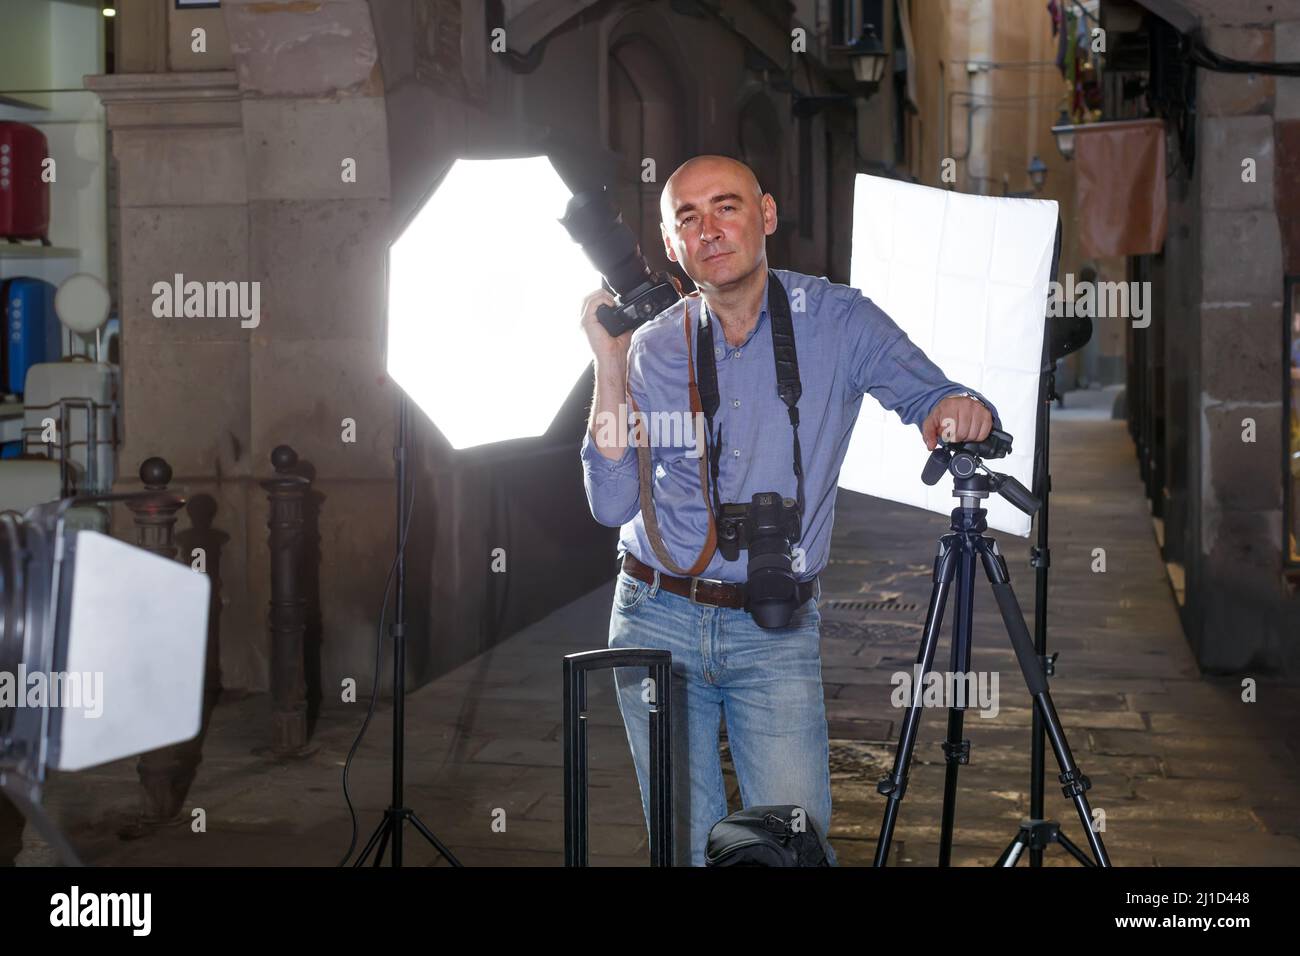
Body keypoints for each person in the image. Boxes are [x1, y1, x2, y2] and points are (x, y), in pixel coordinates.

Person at [578, 155, 998, 866]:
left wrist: (958, 408)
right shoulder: (650, 348)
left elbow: (934, 395)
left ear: (766, 215)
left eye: (727, 207)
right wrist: (608, 363)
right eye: (688, 218)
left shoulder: (836, 320)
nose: (709, 229)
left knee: (792, 843)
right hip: (655, 615)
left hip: (773, 621)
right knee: (685, 846)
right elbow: (612, 501)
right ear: (673, 246)